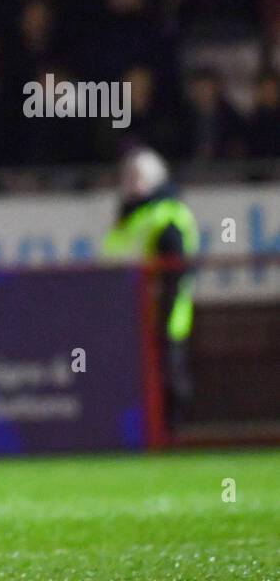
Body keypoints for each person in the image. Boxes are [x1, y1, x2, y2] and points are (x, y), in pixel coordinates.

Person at [101, 147, 198, 427]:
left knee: (167, 375)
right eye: (128, 176)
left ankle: (172, 435)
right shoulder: (130, 216)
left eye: (137, 175)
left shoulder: (166, 215)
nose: (131, 183)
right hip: (128, 316)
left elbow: (174, 270)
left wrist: (163, 312)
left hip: (160, 312)